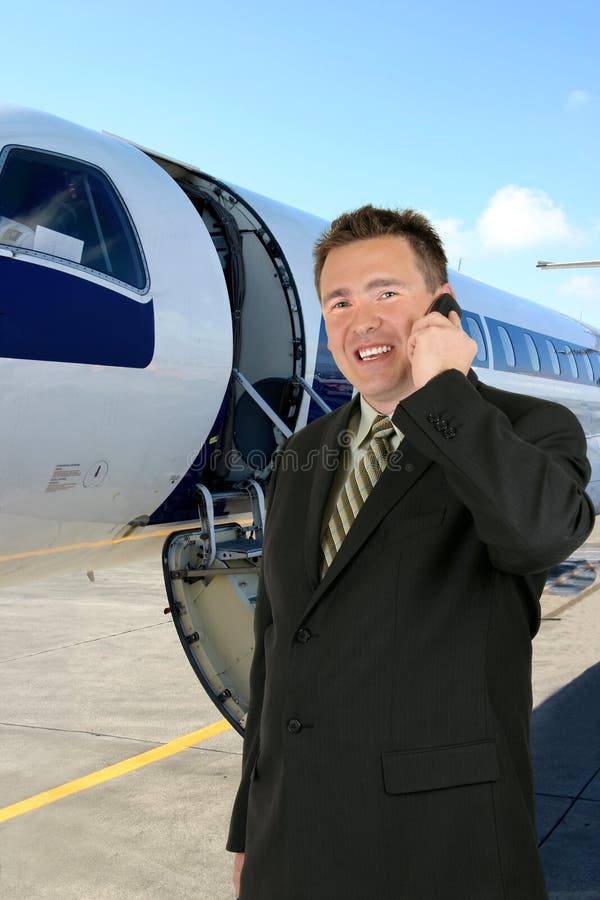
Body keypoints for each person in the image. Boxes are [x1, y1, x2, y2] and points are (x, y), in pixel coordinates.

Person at [226, 205, 595, 900]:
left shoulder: (527, 429)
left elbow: (543, 532)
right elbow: (275, 648)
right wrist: (251, 825)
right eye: (339, 301)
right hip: (292, 850)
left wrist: (445, 391)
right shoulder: (306, 451)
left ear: (442, 308)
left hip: (440, 850)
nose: (359, 319)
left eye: (385, 293)